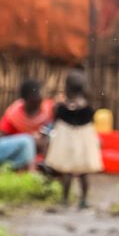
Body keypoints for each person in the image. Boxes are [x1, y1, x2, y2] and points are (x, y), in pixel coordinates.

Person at [45, 68, 103, 207]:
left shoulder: (60, 108)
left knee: (67, 173)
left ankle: (64, 200)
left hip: (66, 144)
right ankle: (83, 200)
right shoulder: (89, 109)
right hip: (84, 145)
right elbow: (91, 125)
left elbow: (54, 121)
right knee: (83, 174)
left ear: (66, 88)